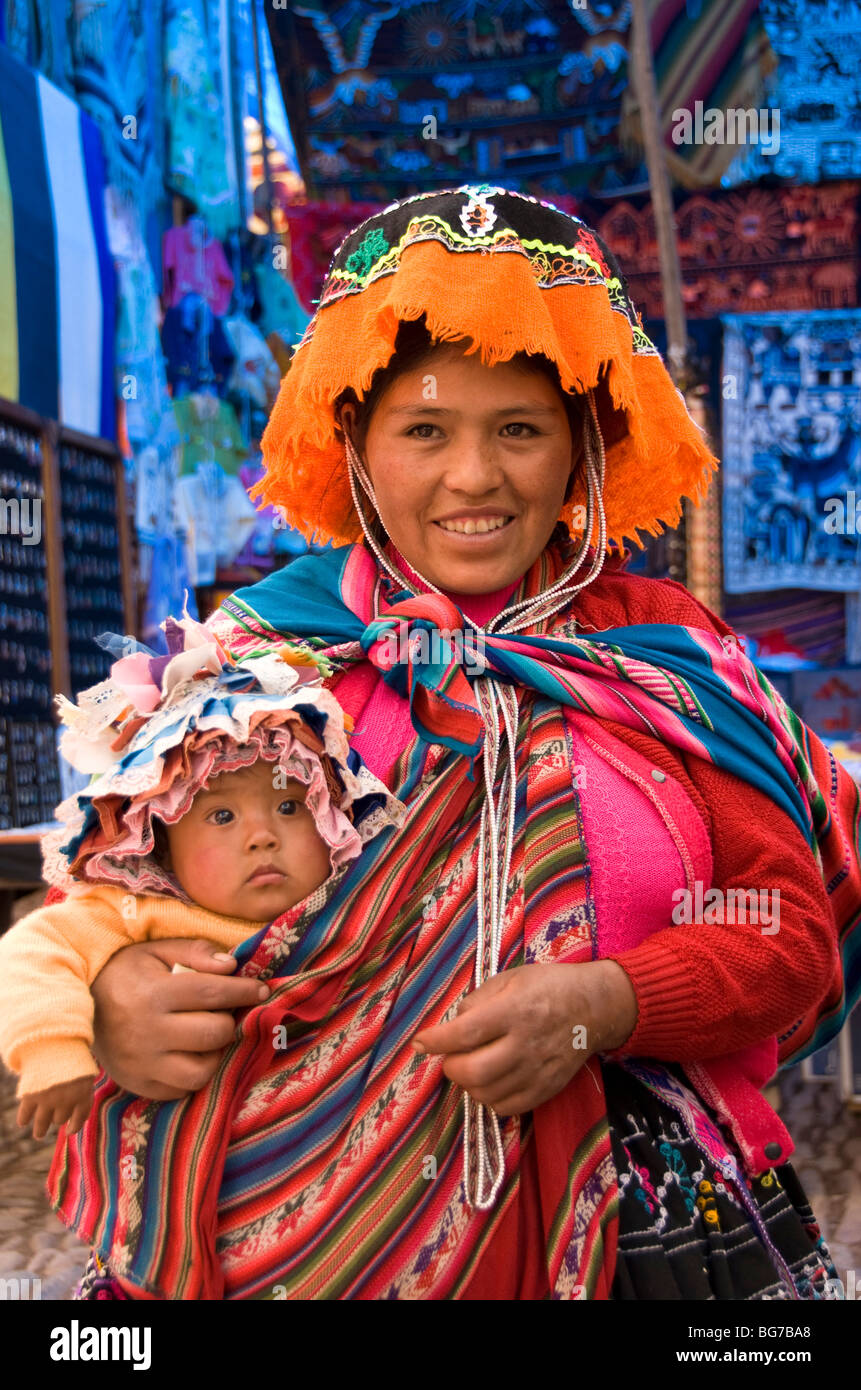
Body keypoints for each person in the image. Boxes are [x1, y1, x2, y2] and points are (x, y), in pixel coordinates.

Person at [58, 187, 861, 1301]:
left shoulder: (670, 656)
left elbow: (788, 934)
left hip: (636, 1234)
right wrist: (110, 997)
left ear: (582, 445)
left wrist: (605, 1003)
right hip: (281, 1219)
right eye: (425, 430)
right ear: (357, 443)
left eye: (520, 430)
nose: (475, 478)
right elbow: (101, 908)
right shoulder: (252, 663)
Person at [0, 614, 403, 1141]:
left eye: (288, 804)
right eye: (221, 817)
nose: (262, 837)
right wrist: (53, 1051)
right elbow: (34, 948)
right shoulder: (134, 910)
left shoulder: (353, 901)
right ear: (160, 843)